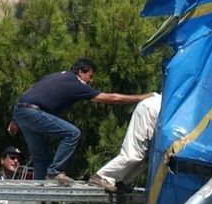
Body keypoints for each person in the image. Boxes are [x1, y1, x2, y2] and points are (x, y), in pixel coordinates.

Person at [12, 58, 153, 185]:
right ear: (80, 72)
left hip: (20, 112)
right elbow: (111, 98)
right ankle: (55, 171)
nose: (91, 81)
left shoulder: (56, 76)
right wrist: (141, 98)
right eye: (90, 76)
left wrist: (15, 119)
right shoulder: (76, 83)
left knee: (40, 159)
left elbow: (32, 90)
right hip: (33, 112)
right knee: (72, 133)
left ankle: (39, 199)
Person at [88, 92, 161, 193]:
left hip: (157, 109)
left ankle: (120, 181)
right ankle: (103, 176)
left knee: (147, 157)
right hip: (151, 109)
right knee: (135, 153)